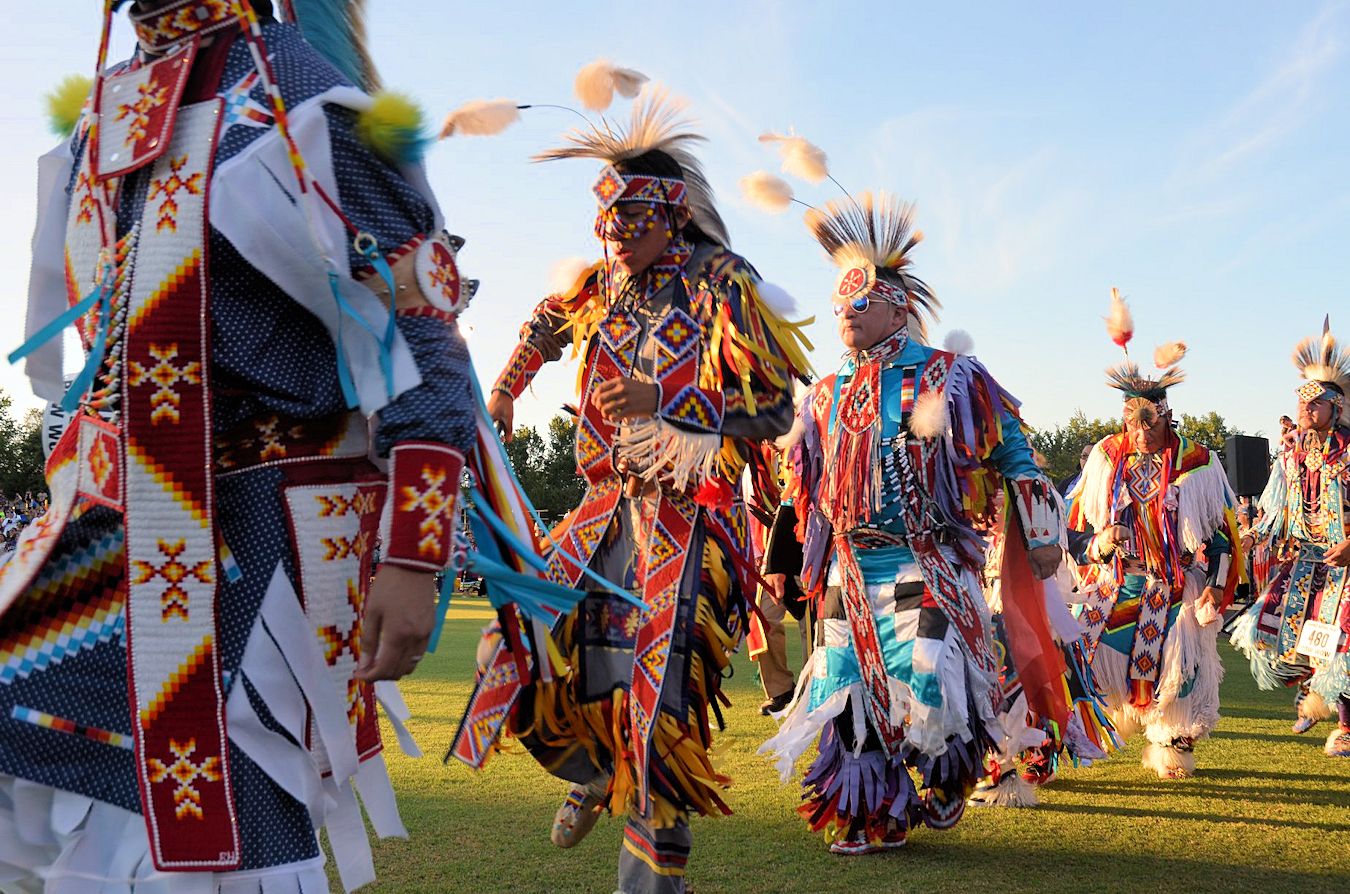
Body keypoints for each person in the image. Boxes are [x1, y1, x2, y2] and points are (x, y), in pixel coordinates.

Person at [0, 2, 477, 889]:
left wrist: (414, 555)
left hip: (262, 533)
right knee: (32, 776)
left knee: (231, 823)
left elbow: (420, 329)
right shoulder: (102, 118)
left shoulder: (301, 101)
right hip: (113, 526)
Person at [478, 87, 812, 894]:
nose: (614, 237)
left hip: (688, 523)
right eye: (606, 223)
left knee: (657, 719)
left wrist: (667, 400)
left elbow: (773, 406)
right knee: (508, 648)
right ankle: (595, 766)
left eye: (630, 221)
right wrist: (508, 386)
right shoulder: (604, 286)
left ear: (671, 214)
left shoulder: (720, 282)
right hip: (600, 512)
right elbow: (546, 322)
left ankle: (648, 871)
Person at [760, 191, 1064, 854]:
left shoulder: (950, 376)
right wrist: (783, 563)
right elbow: (800, 488)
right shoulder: (822, 395)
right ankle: (874, 812)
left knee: (931, 677)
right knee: (847, 692)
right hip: (848, 565)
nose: (846, 314)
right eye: (840, 305)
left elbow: (1012, 450)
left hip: (923, 559)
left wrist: (1042, 535)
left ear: (899, 308)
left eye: (861, 302)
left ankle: (950, 776)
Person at [1066, 290, 1242, 779]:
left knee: (1178, 667)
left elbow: (1222, 534)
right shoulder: (1107, 456)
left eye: (1149, 421)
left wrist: (1216, 583)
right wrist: (1100, 544)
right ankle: (1067, 737)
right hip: (1116, 581)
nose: (1140, 432)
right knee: (1082, 654)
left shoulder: (1197, 462)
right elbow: (1077, 527)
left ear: (1165, 415)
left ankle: (1172, 745)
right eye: (1131, 422)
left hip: (1176, 584)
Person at [1231, 317, 1350, 757]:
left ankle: (1346, 726)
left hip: (1346, 563)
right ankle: (1311, 694)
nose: (1305, 409)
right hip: (1305, 561)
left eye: (1315, 402)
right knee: (1283, 631)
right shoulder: (1291, 453)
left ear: (1336, 407)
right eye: (1302, 401)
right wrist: (1252, 535)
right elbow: (1275, 507)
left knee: (1343, 643)